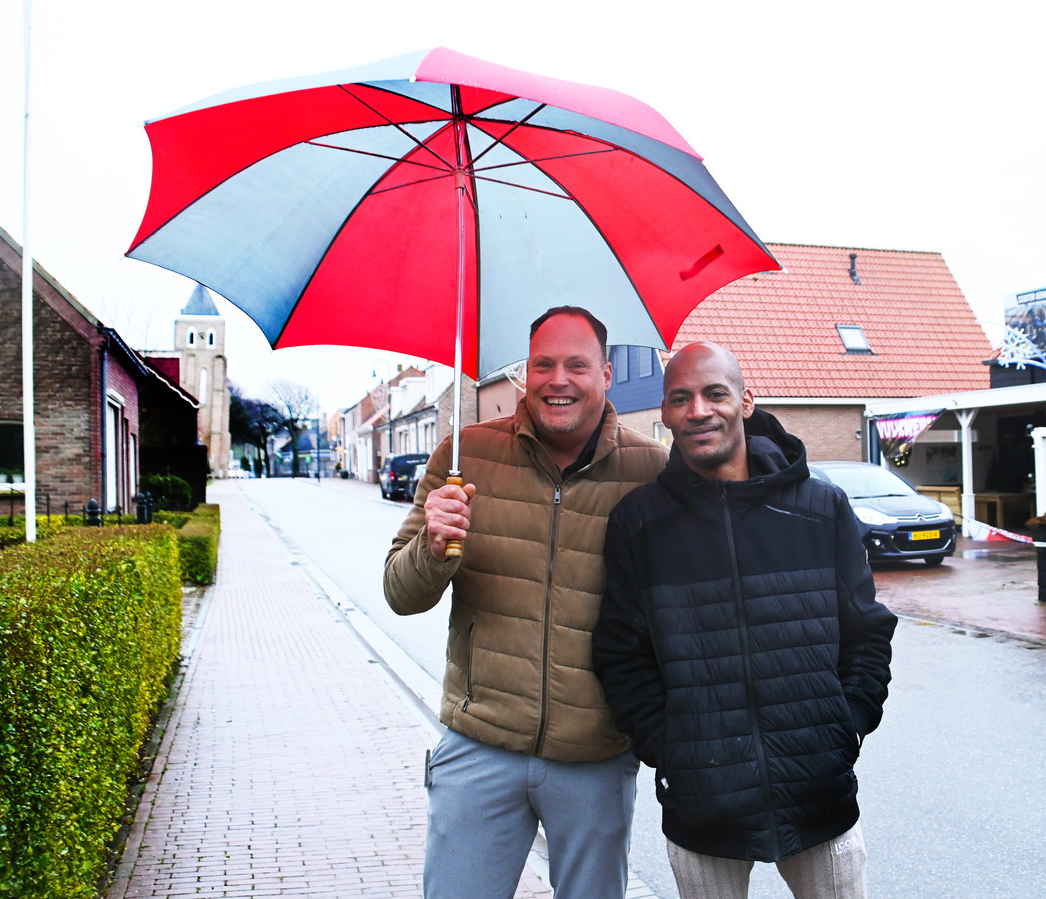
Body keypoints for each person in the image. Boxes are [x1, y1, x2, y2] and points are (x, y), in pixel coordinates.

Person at [593, 342, 897, 899]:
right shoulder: (640, 524)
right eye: (680, 398)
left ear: (746, 401)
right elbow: (621, 653)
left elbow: (867, 631)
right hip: (702, 805)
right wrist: (669, 750)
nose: (699, 411)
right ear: (664, 412)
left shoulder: (820, 509)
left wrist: (846, 724)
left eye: (715, 393)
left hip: (820, 796)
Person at [384, 306, 668, 899]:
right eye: (543, 364)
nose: (557, 379)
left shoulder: (652, 471)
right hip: (480, 746)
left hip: (596, 757)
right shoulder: (462, 459)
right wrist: (432, 549)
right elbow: (399, 594)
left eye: (576, 365)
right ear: (524, 374)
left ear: (608, 374)